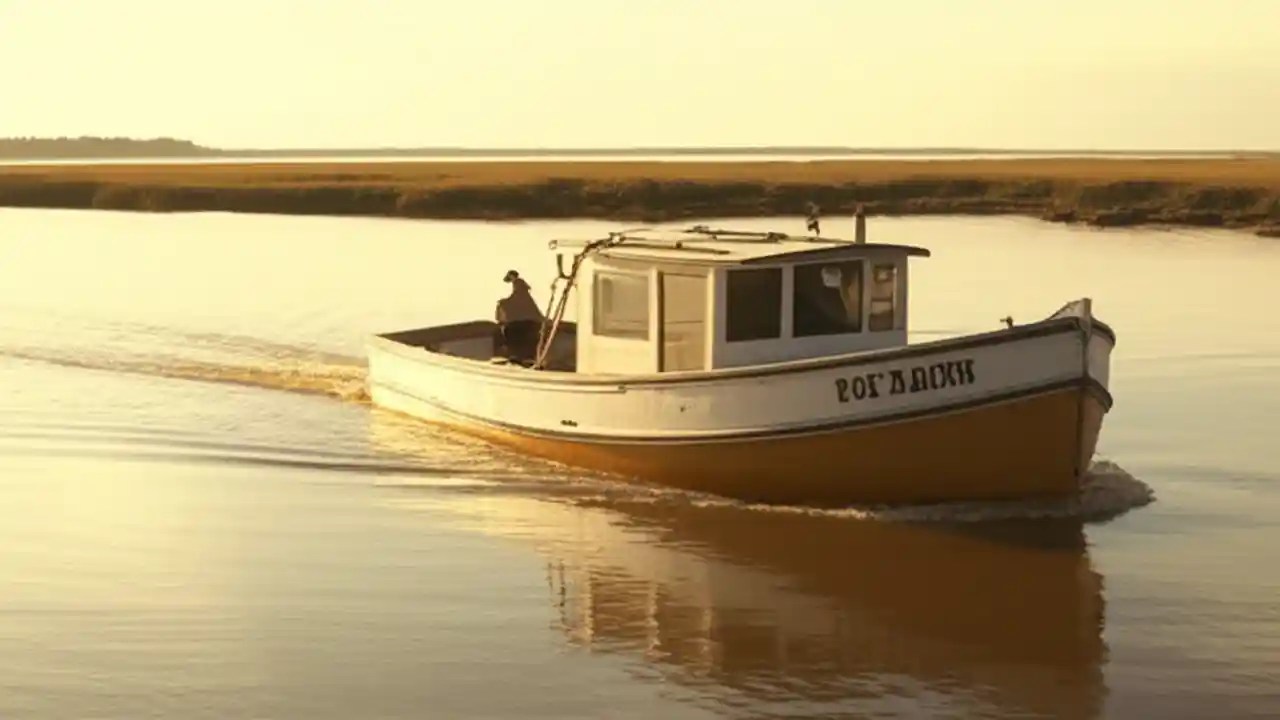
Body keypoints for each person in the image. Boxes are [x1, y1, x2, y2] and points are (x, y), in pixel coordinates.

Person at [494, 270, 545, 362]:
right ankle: (523, 356)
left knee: (515, 334)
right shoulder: (521, 286)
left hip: (524, 320)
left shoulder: (518, 284)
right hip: (528, 320)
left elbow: (516, 298)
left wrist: (504, 302)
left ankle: (520, 356)